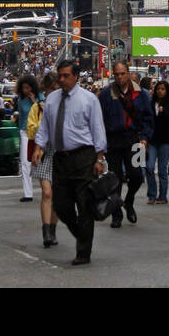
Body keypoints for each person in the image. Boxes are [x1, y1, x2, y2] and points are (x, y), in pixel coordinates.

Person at [32, 60, 107, 266]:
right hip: (60, 157)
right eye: (60, 76)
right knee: (62, 205)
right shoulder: (52, 99)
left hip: (83, 157)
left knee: (84, 205)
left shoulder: (89, 100)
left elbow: (97, 129)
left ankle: (83, 251)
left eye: (66, 76)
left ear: (76, 77)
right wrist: (38, 147)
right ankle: (82, 234)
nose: (62, 80)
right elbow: (45, 127)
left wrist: (100, 159)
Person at [99, 59, 153, 227]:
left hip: (135, 139)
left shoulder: (141, 94)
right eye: (117, 74)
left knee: (137, 175)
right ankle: (116, 214)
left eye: (123, 74)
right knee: (115, 178)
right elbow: (100, 119)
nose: (120, 77)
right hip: (113, 140)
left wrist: (145, 137)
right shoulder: (107, 94)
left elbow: (148, 118)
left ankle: (129, 202)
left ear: (128, 74)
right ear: (113, 75)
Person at [31, 71, 59, 247]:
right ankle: (46, 231)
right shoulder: (39, 107)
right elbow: (32, 129)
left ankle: (53, 229)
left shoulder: (65, 104)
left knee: (56, 194)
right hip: (43, 152)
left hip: (60, 151)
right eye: (50, 90)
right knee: (46, 192)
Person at [146, 80, 169, 204]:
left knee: (162, 169)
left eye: (163, 89)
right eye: (158, 89)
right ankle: (152, 194)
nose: (160, 91)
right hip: (153, 140)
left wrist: (164, 112)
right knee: (149, 167)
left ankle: (163, 196)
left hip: (166, 140)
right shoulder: (152, 103)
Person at [15, 75, 40, 203]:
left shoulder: (40, 97)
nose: (26, 90)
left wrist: (35, 100)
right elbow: (21, 115)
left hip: (39, 132)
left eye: (28, 88)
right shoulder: (20, 100)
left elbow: (43, 111)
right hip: (25, 132)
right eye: (24, 88)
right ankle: (27, 193)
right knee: (25, 163)